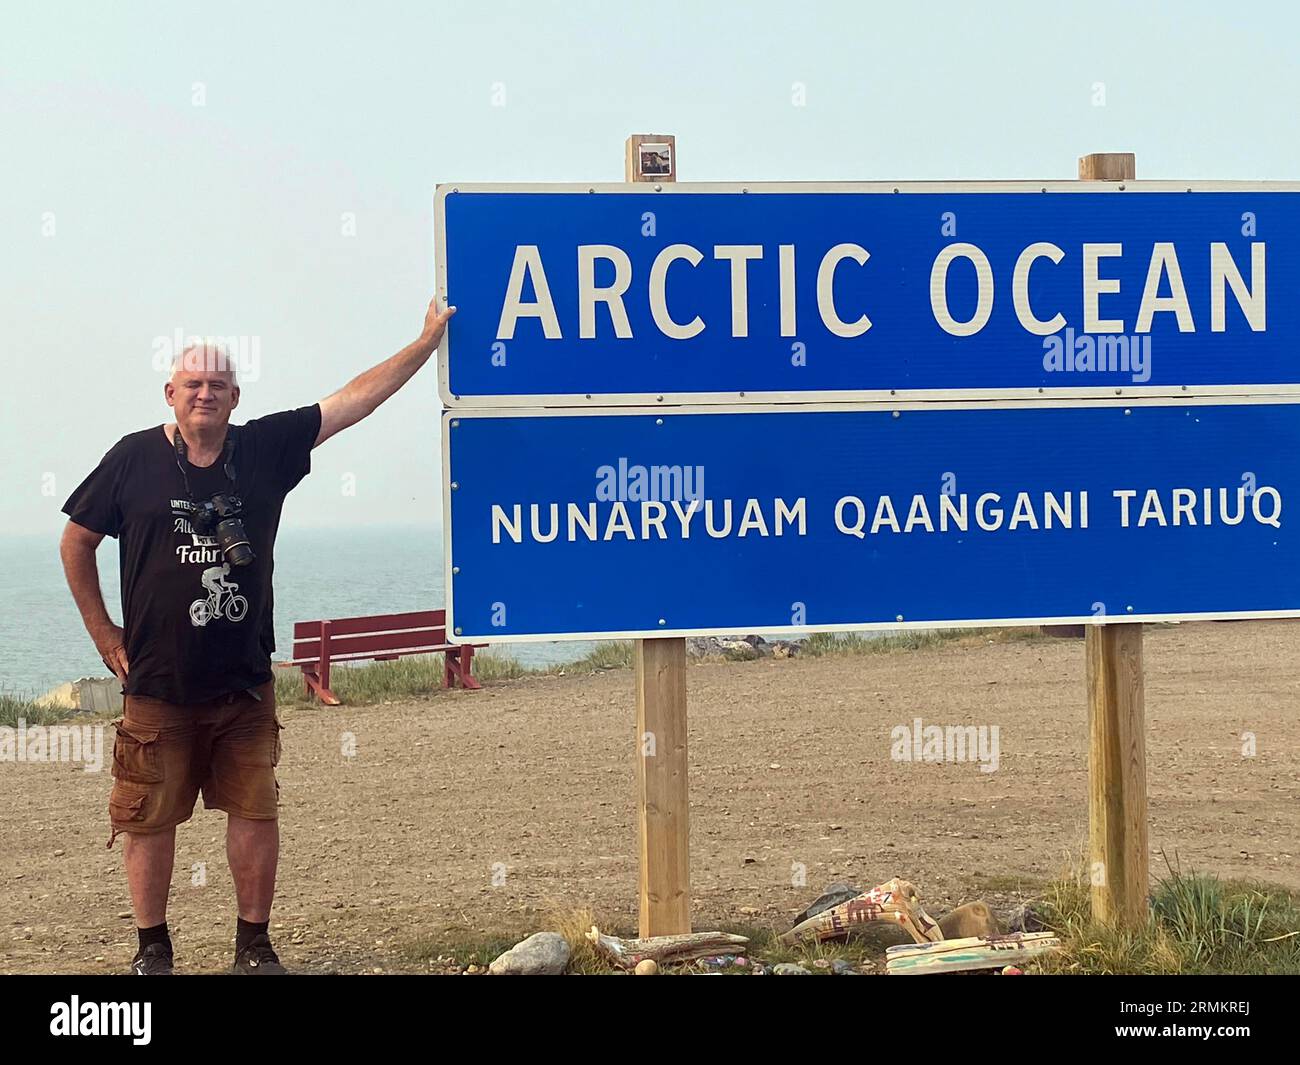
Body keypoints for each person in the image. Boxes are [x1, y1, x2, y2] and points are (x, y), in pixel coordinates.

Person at [59, 298, 455, 974]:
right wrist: (103, 632)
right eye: (193, 384)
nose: (205, 393)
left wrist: (424, 344)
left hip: (244, 685)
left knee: (254, 811)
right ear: (171, 394)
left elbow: (350, 402)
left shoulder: (264, 449)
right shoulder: (131, 460)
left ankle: (254, 945)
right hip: (156, 684)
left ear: (235, 395)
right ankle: (152, 948)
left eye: (217, 384)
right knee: (147, 818)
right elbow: (76, 540)